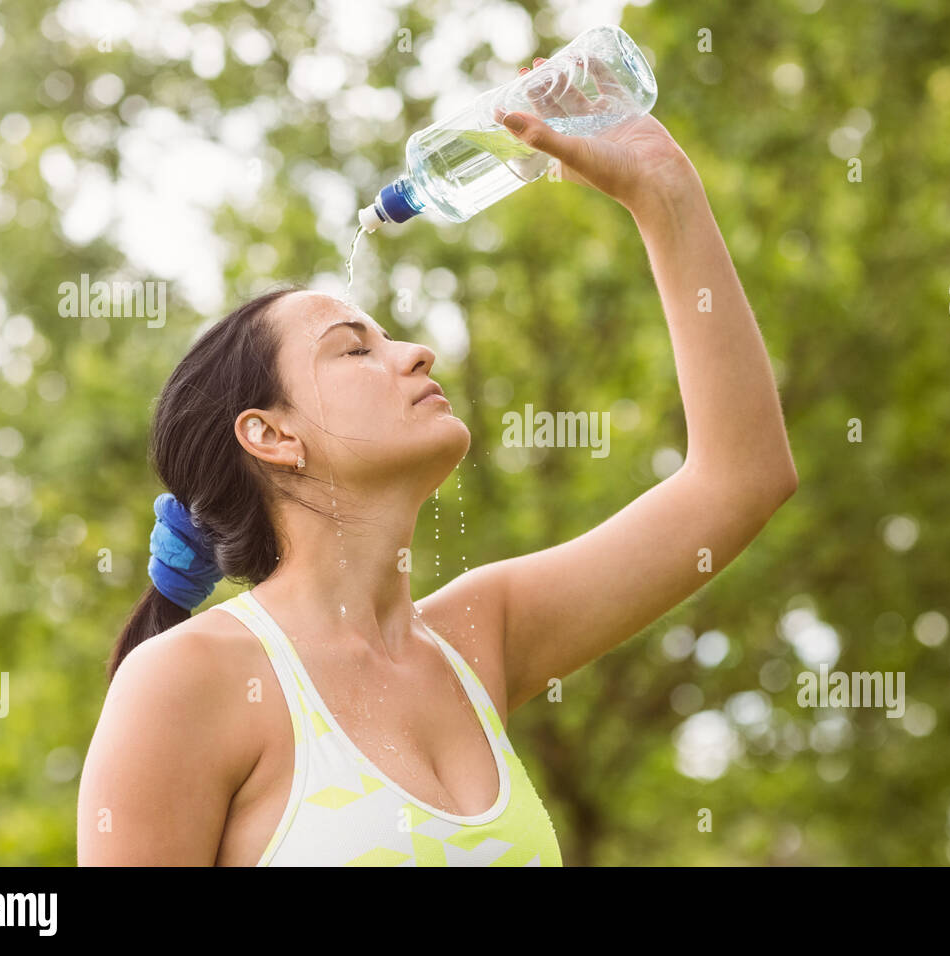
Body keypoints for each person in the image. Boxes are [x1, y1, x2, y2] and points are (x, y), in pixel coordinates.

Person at [77, 56, 797, 866]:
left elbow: (742, 480)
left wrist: (663, 190)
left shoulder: (479, 637)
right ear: (271, 436)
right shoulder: (187, 682)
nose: (417, 353)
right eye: (355, 349)